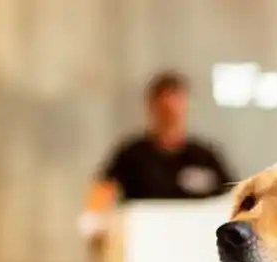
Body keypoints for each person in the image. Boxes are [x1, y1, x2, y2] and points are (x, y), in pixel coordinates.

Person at [81, 71, 235, 238]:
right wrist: (95, 222)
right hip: (145, 240)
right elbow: (104, 189)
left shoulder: (205, 156)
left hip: (195, 239)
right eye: (164, 106)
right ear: (152, 106)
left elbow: (231, 196)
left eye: (177, 103)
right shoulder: (132, 154)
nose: (171, 112)